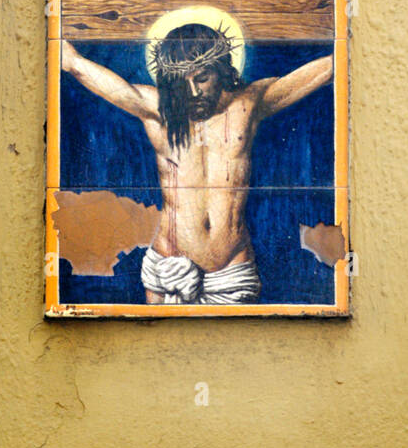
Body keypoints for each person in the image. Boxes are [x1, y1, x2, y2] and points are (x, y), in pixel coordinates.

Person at [61, 22, 332, 304]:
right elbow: (76, 65)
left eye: (202, 78)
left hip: (229, 271)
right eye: (182, 82)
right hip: (168, 267)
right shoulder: (157, 110)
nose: (192, 92)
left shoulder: (248, 104)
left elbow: (328, 68)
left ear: (221, 70)